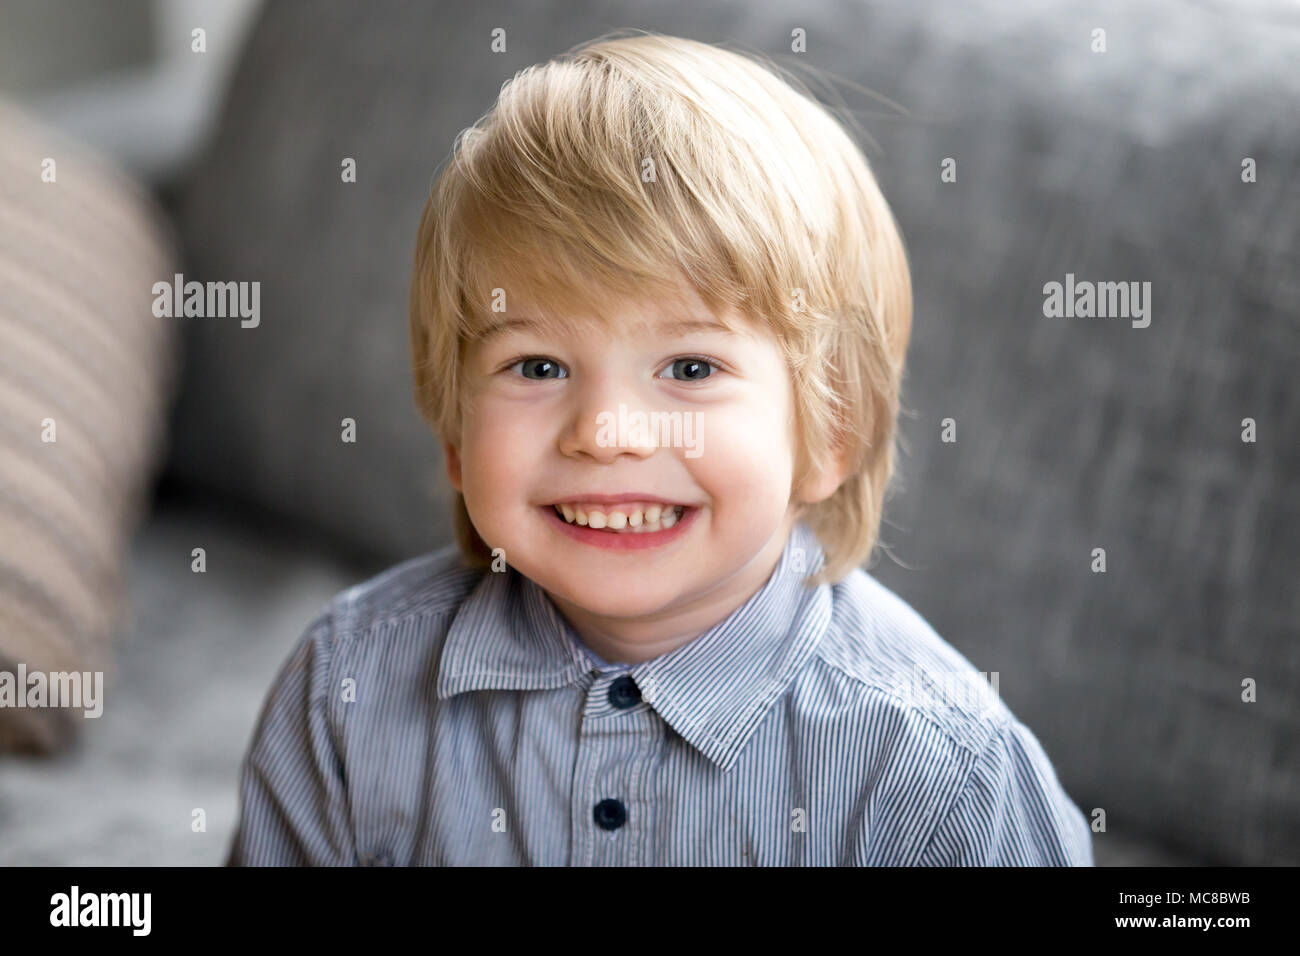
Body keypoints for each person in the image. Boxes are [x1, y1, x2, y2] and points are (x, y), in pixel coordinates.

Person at [227, 31, 1093, 866]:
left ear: (832, 430)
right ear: (454, 431)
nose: (606, 433)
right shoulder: (344, 688)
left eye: (689, 366)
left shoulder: (944, 777)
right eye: (537, 364)